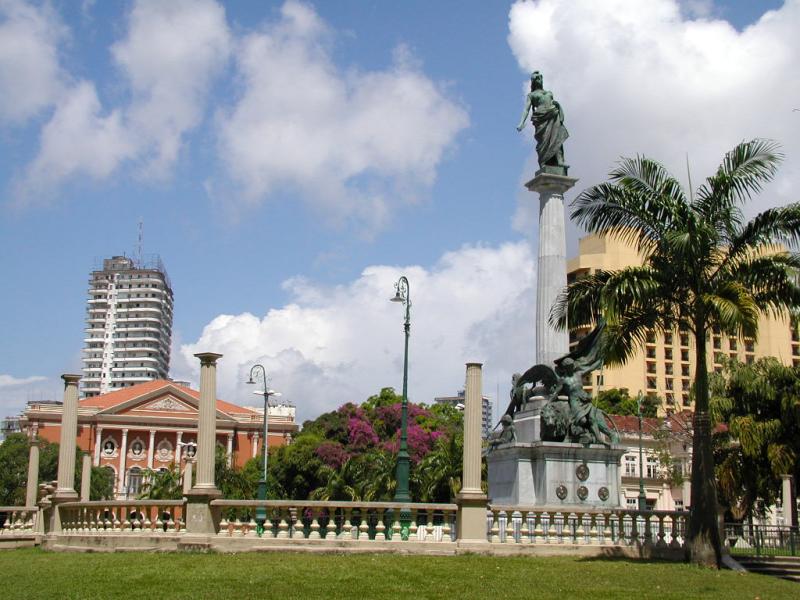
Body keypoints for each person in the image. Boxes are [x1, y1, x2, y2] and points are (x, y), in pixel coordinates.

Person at [516, 71, 569, 174]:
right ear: (533, 82)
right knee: (544, 141)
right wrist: (521, 123)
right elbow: (526, 109)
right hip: (541, 119)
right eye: (537, 79)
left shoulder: (549, 92)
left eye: (540, 78)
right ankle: (543, 162)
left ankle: (560, 161)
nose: (539, 80)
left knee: (557, 138)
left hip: (553, 116)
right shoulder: (531, 95)